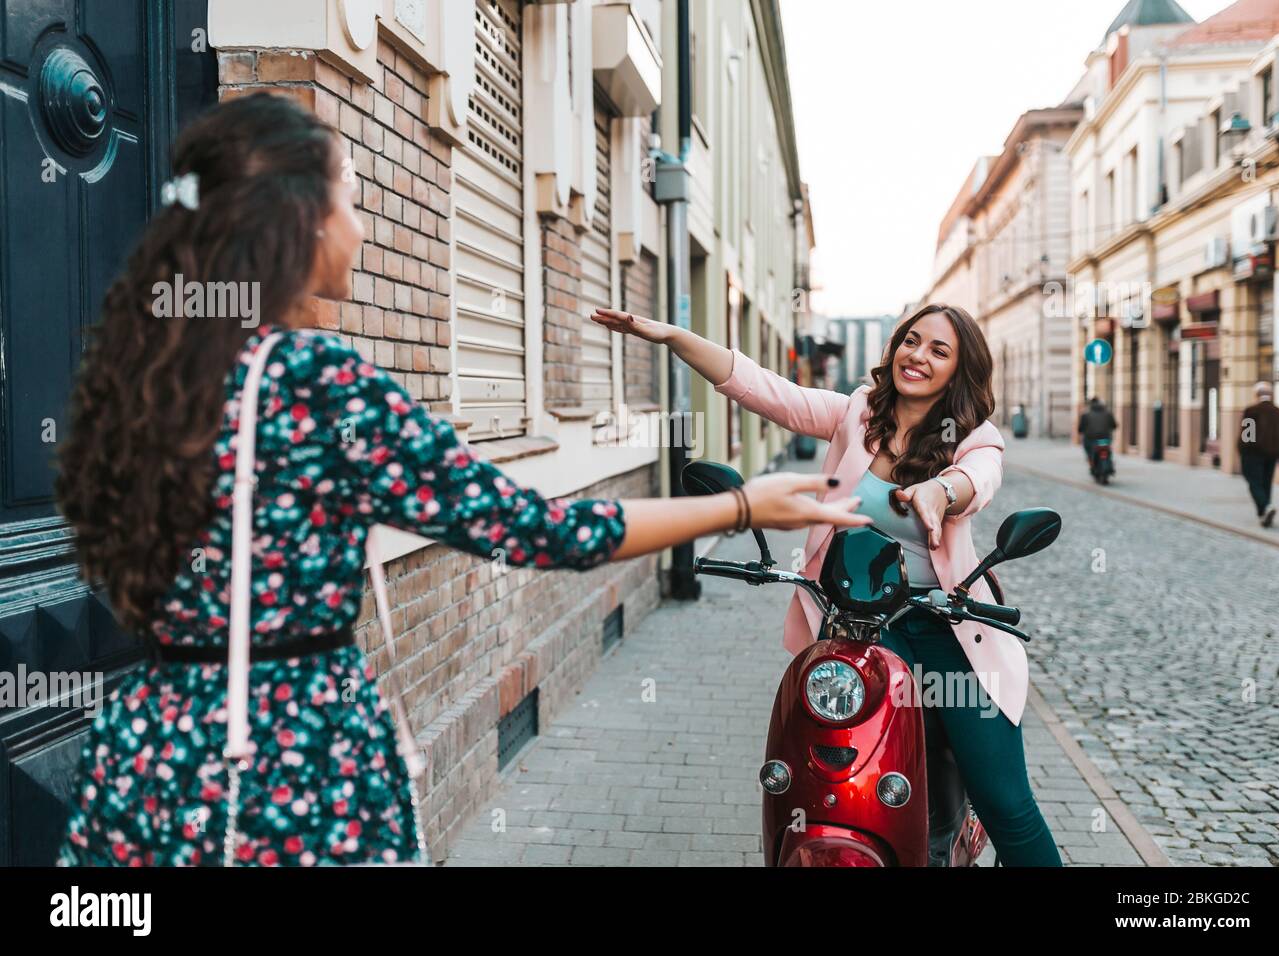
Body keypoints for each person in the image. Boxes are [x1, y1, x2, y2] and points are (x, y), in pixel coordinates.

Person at [52, 93, 868, 867]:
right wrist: (738, 505)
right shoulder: (315, 379)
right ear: (301, 219)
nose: (360, 228)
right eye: (350, 199)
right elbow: (541, 531)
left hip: (151, 750)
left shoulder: (145, 370)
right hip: (289, 756)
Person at [593, 302, 1063, 866]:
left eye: (940, 350)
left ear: (959, 370)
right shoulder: (860, 414)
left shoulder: (974, 437)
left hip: (948, 631)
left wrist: (940, 492)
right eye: (912, 340)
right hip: (863, 629)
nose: (918, 356)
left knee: (1005, 800)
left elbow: (976, 480)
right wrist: (672, 335)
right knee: (842, 780)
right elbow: (765, 389)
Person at [1238, 381, 1279, 528]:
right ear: (1272, 395)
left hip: (1253, 454)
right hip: (1272, 455)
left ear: (1256, 395)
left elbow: (1247, 436)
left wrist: (1242, 451)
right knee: (1266, 483)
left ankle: (1266, 507)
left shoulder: (1252, 410)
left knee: (1254, 482)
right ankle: (1265, 515)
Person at [1078, 397, 1117, 472]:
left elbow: (1080, 428)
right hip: (1104, 438)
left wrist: (1082, 431)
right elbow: (1114, 425)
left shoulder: (1086, 415)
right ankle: (1106, 462)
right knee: (1105, 451)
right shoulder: (1108, 413)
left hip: (1091, 439)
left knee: (1089, 452)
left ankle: (1092, 464)